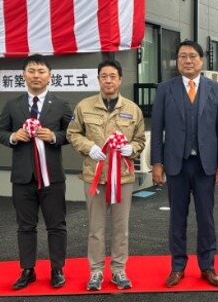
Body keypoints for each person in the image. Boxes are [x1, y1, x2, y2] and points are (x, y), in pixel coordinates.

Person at [150, 39, 218, 288]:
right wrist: (157, 162)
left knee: (206, 217)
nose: (188, 60)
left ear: (201, 60)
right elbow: (157, 127)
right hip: (176, 164)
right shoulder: (165, 89)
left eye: (193, 56)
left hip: (206, 165)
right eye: (183, 56)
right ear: (177, 61)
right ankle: (177, 266)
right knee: (177, 217)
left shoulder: (216, 89)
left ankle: (207, 266)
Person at [66, 60, 146, 291]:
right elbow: (73, 133)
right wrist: (88, 146)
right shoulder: (84, 106)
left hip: (123, 178)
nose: (108, 80)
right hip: (95, 176)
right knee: (96, 228)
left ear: (120, 80)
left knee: (121, 227)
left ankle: (119, 269)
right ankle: (96, 271)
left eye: (112, 76)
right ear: (99, 79)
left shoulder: (132, 109)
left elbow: (140, 139)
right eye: (104, 76)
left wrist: (132, 148)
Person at [0, 54, 73, 290]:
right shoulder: (12, 105)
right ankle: (27, 270)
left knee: (56, 225)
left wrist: (54, 136)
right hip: (23, 177)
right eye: (31, 71)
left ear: (50, 76)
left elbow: (72, 134)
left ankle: (57, 268)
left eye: (41, 71)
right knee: (25, 226)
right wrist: (13, 136)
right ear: (24, 75)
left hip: (52, 177)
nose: (36, 75)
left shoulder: (61, 105)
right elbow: (0, 133)